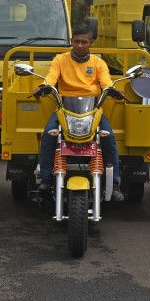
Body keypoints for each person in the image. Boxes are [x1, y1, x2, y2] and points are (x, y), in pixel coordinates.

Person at [35, 23, 125, 202]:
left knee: (109, 138)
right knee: (48, 135)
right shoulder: (60, 60)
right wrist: (44, 87)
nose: (80, 45)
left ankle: (114, 184)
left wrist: (111, 89)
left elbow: (106, 81)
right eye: (77, 41)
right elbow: (51, 77)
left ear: (91, 42)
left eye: (84, 42)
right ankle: (45, 180)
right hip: (64, 108)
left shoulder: (98, 63)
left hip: (92, 110)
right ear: (71, 41)